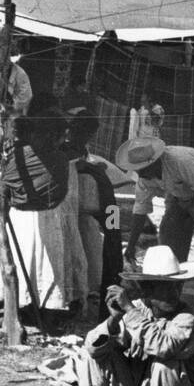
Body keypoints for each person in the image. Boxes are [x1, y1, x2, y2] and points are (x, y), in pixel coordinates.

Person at [74, 245, 194, 386]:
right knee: (98, 352)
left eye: (177, 285)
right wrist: (113, 320)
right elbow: (92, 347)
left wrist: (130, 312)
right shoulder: (140, 309)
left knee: (167, 364)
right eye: (166, 287)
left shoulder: (187, 318)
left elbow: (163, 346)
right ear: (147, 289)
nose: (174, 292)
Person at [0, 94, 87, 326]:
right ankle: (47, 311)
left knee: (30, 263)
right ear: (49, 134)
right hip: (47, 218)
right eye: (58, 136)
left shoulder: (18, 154)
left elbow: (4, 189)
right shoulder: (58, 157)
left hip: (20, 217)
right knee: (46, 265)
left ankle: (27, 308)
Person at [118, 137, 194, 288]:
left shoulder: (179, 161)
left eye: (143, 170)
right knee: (169, 232)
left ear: (155, 162)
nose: (140, 174)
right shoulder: (143, 179)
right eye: (137, 170)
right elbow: (139, 212)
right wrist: (131, 246)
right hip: (177, 193)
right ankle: (173, 277)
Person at [66, 105, 128, 309]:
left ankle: (106, 288)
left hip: (101, 208)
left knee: (112, 238)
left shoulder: (87, 155)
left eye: (87, 134)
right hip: (78, 210)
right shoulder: (66, 150)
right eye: (82, 132)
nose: (85, 137)